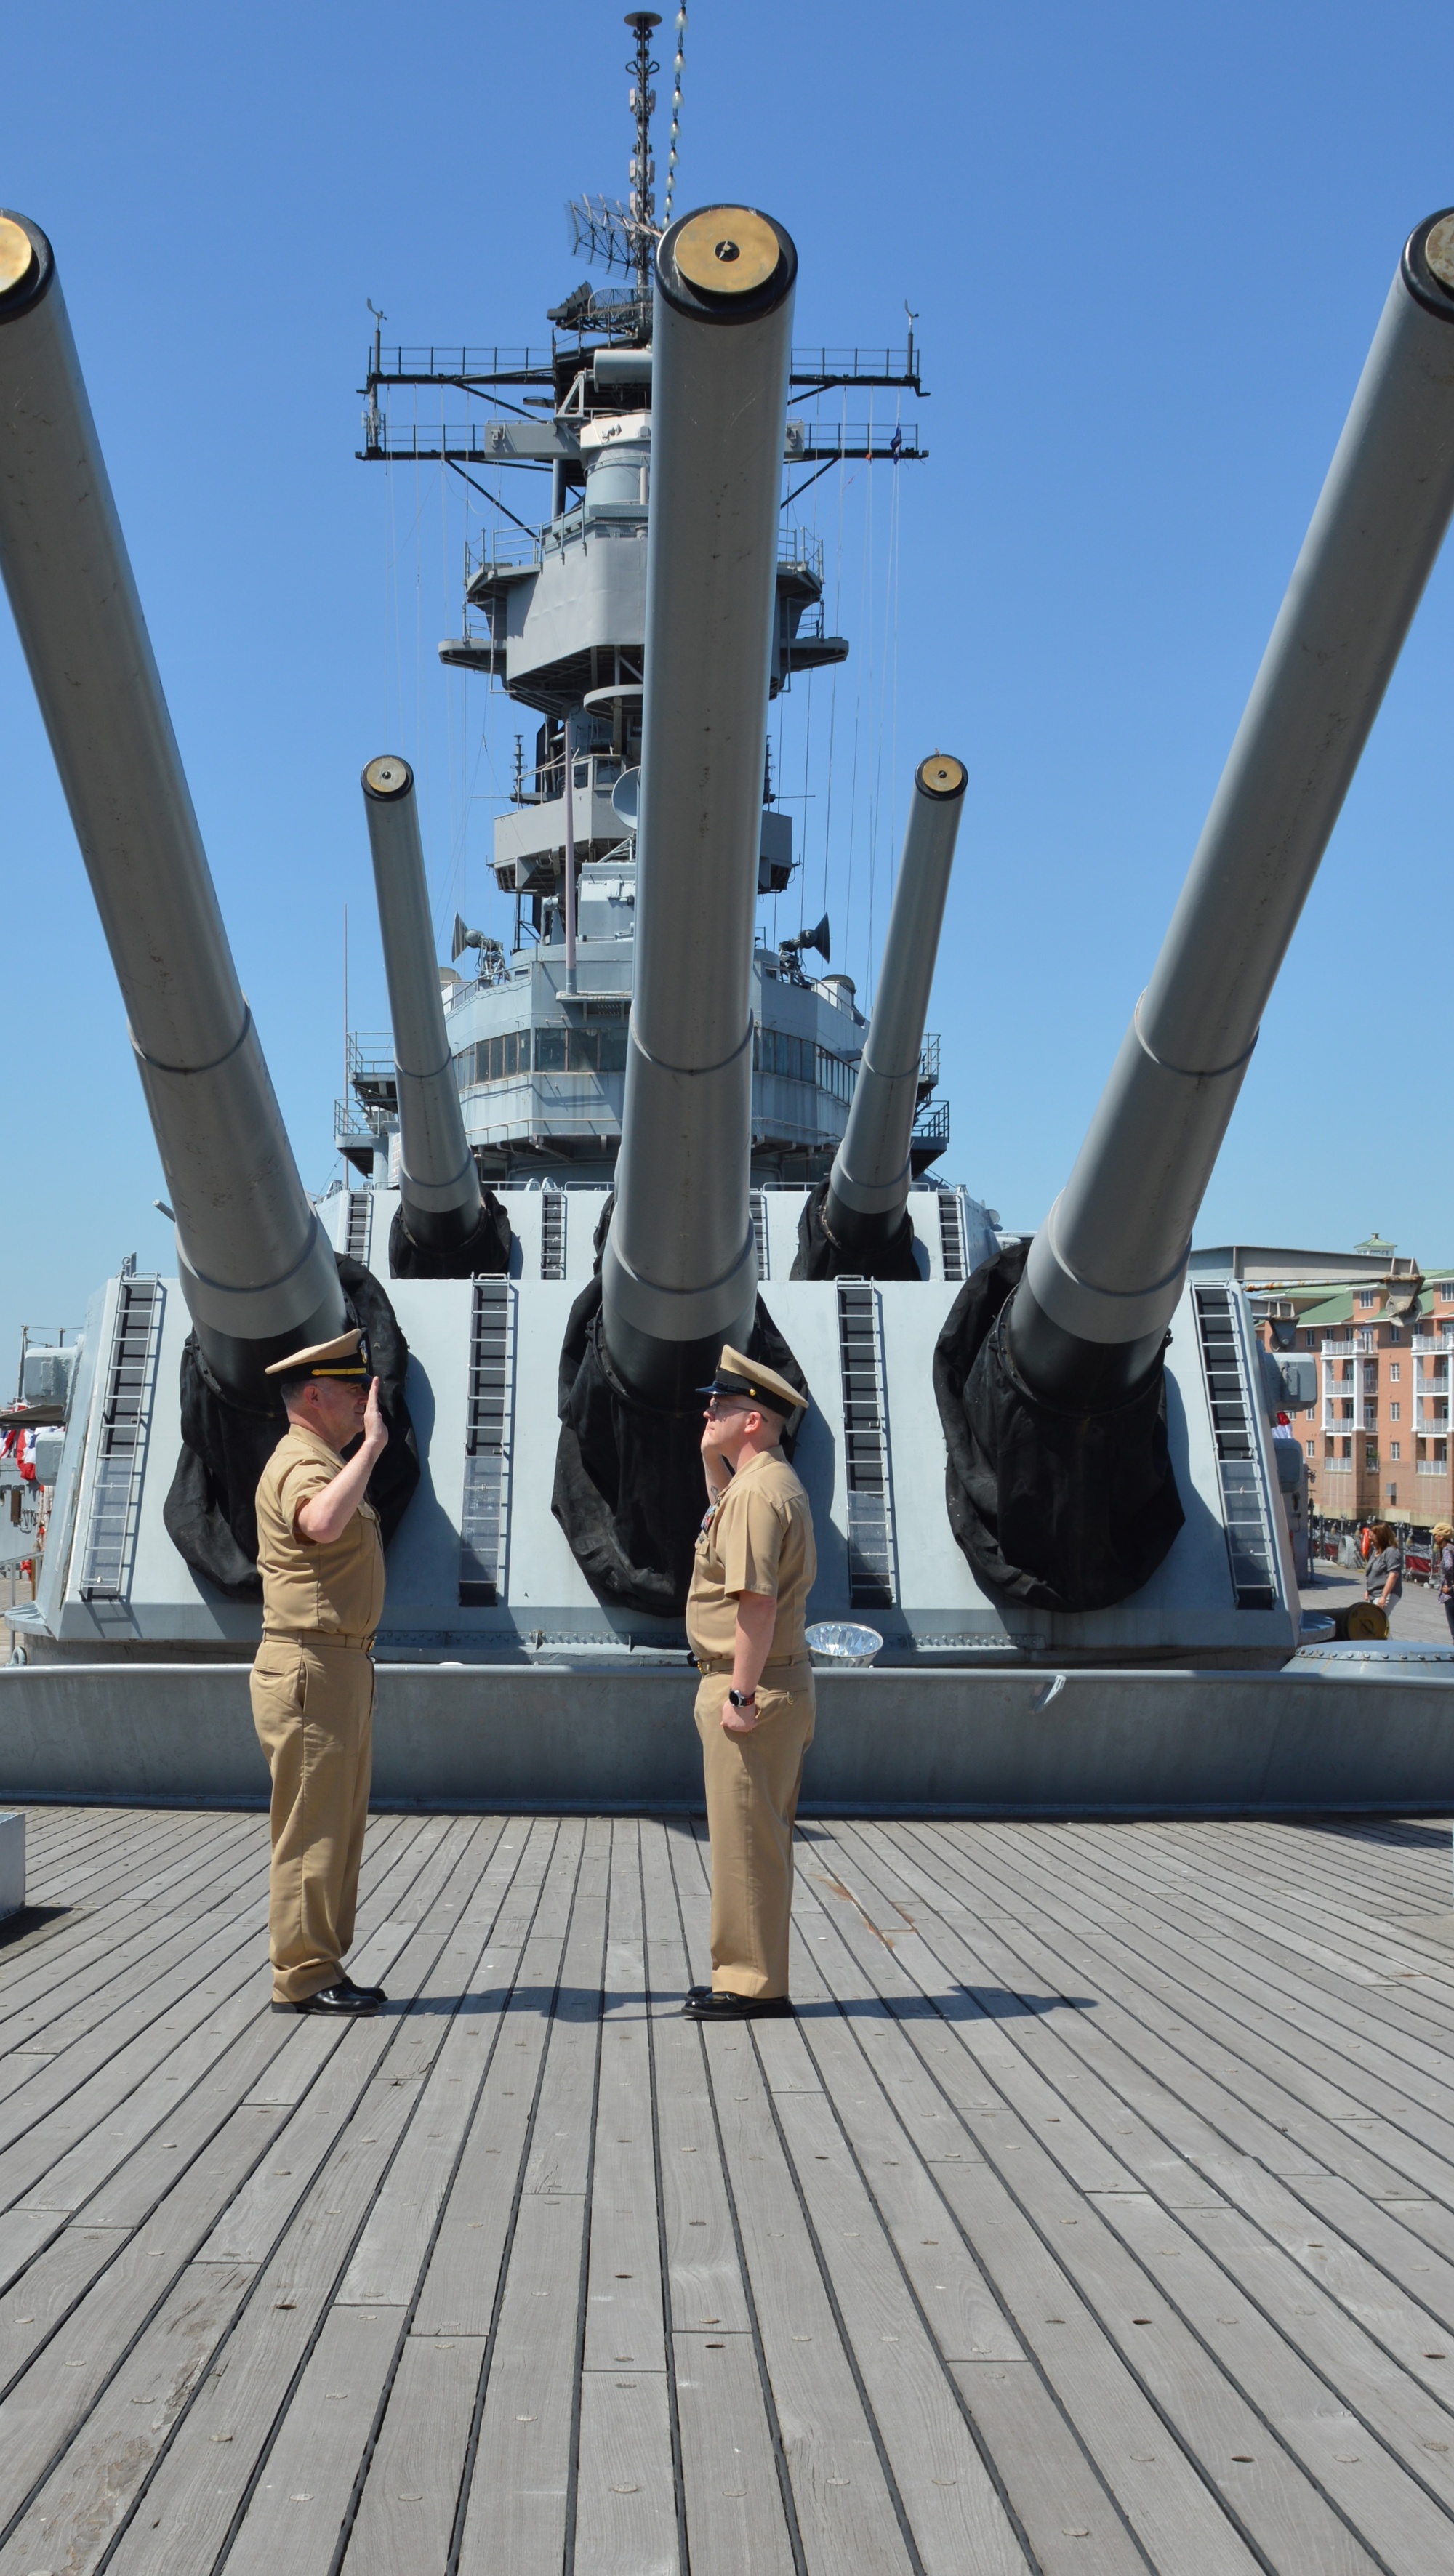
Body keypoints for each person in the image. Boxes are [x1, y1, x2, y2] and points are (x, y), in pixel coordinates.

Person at [250, 1328, 390, 2016]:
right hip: (311, 1665)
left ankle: (322, 1963)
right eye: (353, 1389)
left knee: (336, 1826)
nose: (366, 1400)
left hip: (338, 1665)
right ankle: (303, 1976)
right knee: (312, 1830)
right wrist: (371, 1449)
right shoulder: (302, 1462)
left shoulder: (322, 1460)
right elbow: (322, 1524)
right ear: (313, 1397)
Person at [683, 1345, 815, 2024]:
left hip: (750, 1687)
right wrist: (713, 1459)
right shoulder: (758, 1484)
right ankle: (747, 1975)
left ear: (755, 1420)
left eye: (723, 1405)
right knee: (750, 1836)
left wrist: (740, 1696)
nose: (709, 1411)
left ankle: (753, 1985)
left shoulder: (759, 1494)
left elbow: (756, 1604)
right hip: (767, 1681)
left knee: (745, 1840)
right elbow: (726, 1528)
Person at [1364, 1521, 1403, 1627]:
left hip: (1386, 1594)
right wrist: (1368, 1590)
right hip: (1374, 1593)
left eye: (1372, 1536)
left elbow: (1393, 1575)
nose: (1369, 1538)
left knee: (1377, 1623)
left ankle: (1386, 1639)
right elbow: (1372, 1572)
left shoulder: (1391, 1552)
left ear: (1380, 1536)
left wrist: (1383, 1597)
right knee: (1377, 1624)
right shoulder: (1376, 1551)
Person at [1433, 1521, 1454, 1643]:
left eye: (1435, 1535)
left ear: (1441, 1537)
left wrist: (1449, 1584)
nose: (1434, 1537)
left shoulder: (1447, 1550)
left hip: (1450, 1594)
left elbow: (1449, 1566)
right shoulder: (1452, 1548)